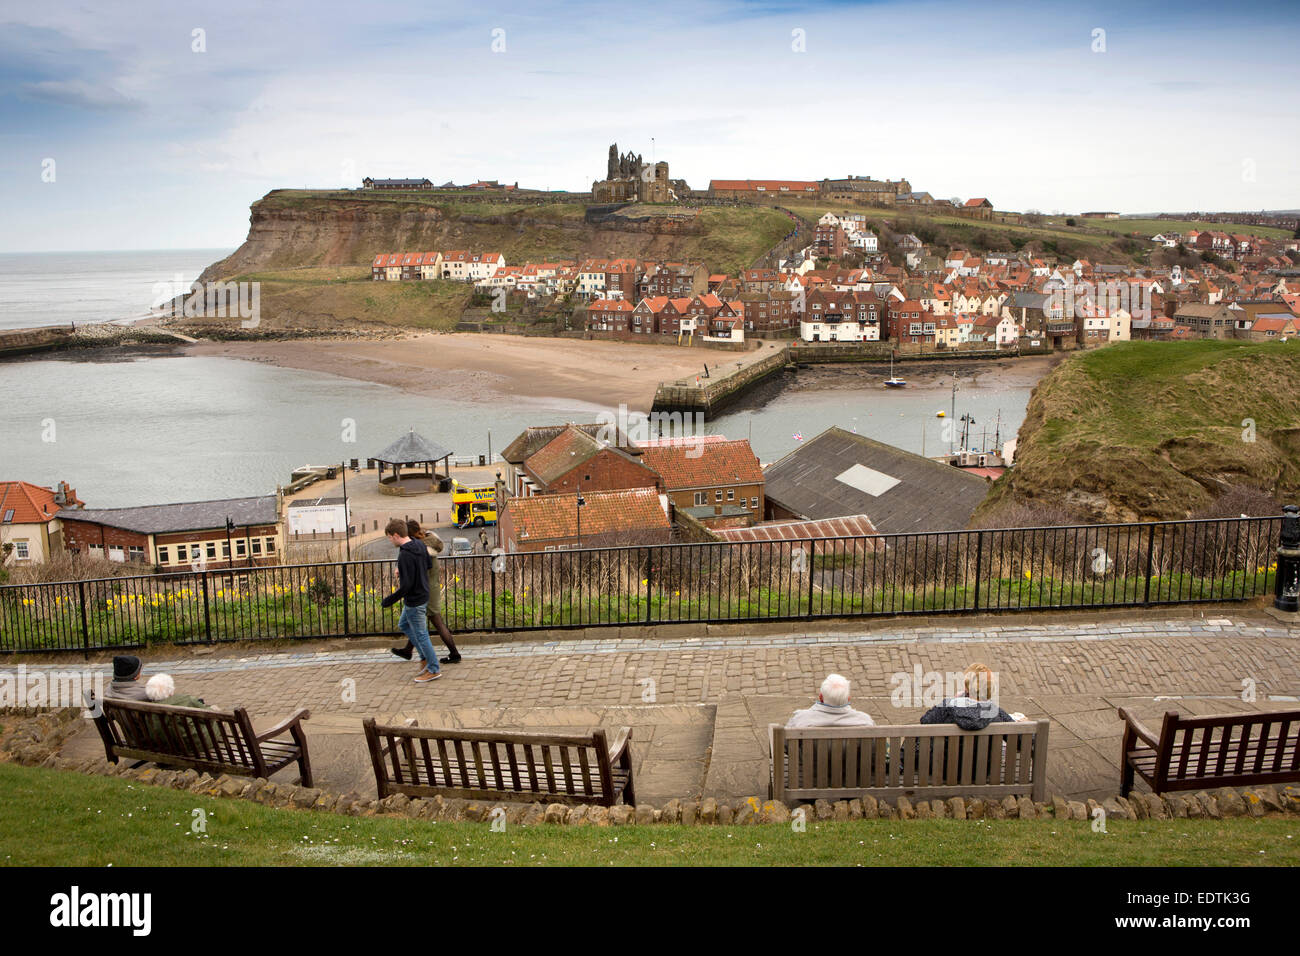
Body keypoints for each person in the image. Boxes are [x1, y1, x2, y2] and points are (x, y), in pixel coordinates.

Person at [390, 520, 462, 664]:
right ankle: (408, 650)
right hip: (430, 587)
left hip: (426, 589)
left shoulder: (421, 550)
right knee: (417, 623)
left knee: (435, 622)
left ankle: (454, 654)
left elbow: (417, 571)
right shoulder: (428, 543)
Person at [380, 518, 440, 683]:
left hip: (414, 599)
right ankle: (424, 658)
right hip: (423, 593)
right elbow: (427, 565)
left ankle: (433, 668)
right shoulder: (419, 544)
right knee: (404, 624)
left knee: (422, 635)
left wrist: (388, 600)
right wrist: (405, 570)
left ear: (397, 535)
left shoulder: (405, 554)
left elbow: (406, 586)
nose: (390, 540)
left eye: (390, 537)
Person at [786, 674, 875, 728]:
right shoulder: (865, 721)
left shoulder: (800, 720)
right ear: (848, 698)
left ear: (821, 697)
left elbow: (785, 745)